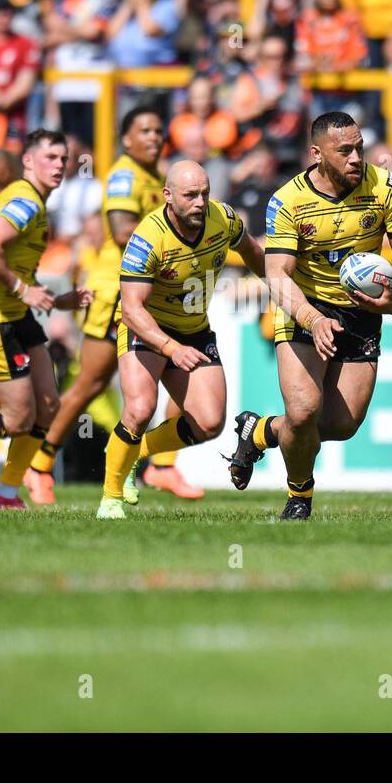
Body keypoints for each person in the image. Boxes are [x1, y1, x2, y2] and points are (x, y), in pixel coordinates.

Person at [225, 111, 392, 520]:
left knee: (338, 425)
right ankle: (300, 498)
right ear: (316, 154)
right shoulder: (288, 201)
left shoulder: (386, 188)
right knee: (303, 411)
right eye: (344, 150)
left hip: (361, 311)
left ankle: (258, 430)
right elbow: (276, 274)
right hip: (303, 306)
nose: (355, 158)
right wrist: (312, 319)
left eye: (360, 148)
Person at [26, 107, 202, 503]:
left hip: (157, 291)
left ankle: (163, 465)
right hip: (117, 292)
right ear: (126, 140)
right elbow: (123, 231)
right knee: (89, 383)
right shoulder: (124, 176)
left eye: (159, 130)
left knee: (185, 374)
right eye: (145, 131)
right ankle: (39, 466)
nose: (155, 137)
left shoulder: (159, 178)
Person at [99, 160, 266, 519]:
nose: (200, 202)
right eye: (191, 195)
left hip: (193, 330)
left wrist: (285, 285)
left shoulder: (224, 219)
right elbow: (131, 310)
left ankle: (134, 453)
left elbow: (254, 254)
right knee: (140, 408)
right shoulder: (147, 238)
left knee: (208, 422)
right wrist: (170, 348)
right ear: (168, 196)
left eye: (205, 193)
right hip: (147, 328)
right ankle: (110, 498)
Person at [0, 129, 93, 510]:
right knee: (18, 421)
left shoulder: (34, 201)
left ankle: (6, 496)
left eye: (64, 159)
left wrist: (59, 300)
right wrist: (22, 289)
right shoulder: (25, 200)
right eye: (50, 157)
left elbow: (12, 262)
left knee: (49, 406)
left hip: (17, 316)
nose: (60, 166)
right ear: (28, 161)